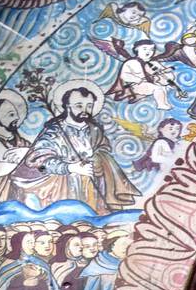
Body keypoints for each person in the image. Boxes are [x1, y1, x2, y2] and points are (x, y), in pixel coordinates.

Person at [13, 80, 140, 212]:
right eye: (79, 106)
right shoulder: (55, 131)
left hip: (92, 184)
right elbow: (41, 162)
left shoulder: (94, 130)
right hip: (63, 186)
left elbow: (103, 148)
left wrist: (97, 160)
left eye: (89, 106)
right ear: (68, 106)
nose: (85, 110)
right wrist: (70, 167)